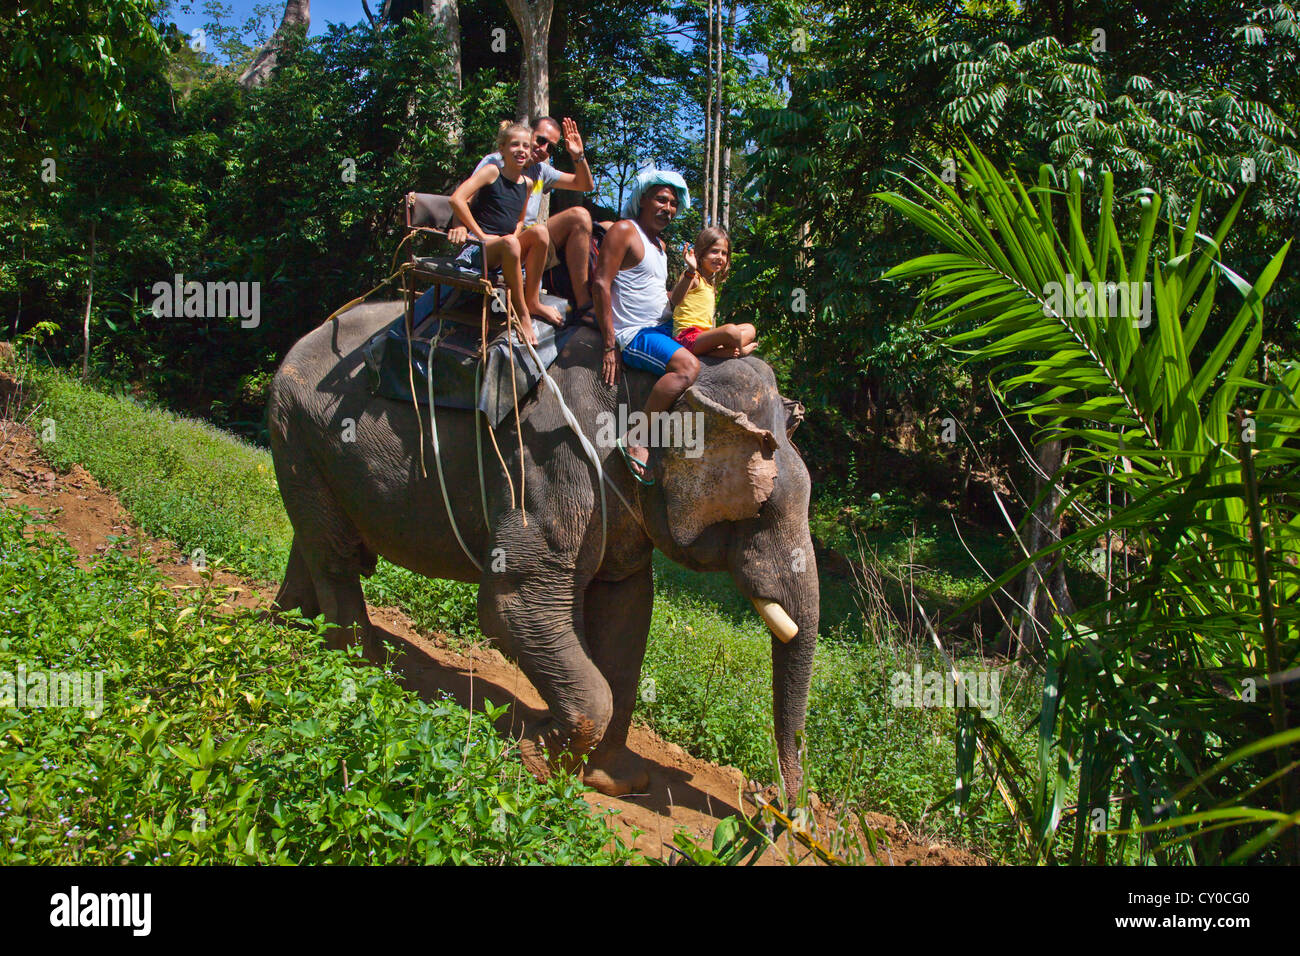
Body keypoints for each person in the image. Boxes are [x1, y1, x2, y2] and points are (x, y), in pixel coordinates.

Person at [591, 169, 697, 485]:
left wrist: (690, 277)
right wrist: (610, 345)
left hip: (664, 326)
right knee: (687, 368)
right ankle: (637, 436)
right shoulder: (625, 230)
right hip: (637, 334)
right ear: (642, 200)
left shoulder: (661, 246)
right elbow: (601, 283)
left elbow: (656, 295)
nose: (668, 208)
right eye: (661, 199)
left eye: (674, 203)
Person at [452, 116, 597, 321]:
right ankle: (525, 310)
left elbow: (585, 185)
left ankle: (584, 305)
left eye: (551, 147)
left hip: (527, 237)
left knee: (580, 216)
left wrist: (579, 156)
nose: (544, 148)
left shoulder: (539, 173)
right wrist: (459, 226)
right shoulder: (495, 163)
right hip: (494, 241)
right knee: (519, 239)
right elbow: (463, 198)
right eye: (540, 140)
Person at [447, 121, 558, 345]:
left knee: (540, 232)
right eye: (515, 145)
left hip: (506, 247)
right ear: (503, 149)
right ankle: (522, 314)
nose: (522, 150)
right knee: (509, 242)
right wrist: (479, 234)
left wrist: (515, 237)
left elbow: (519, 221)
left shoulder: (527, 184)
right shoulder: (491, 172)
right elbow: (456, 199)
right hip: (479, 249)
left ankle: (533, 301)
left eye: (526, 146)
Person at [670, 226, 756, 357]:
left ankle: (717, 351)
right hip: (687, 338)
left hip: (705, 336)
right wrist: (690, 271)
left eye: (724, 253)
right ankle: (739, 351)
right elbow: (675, 299)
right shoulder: (693, 277)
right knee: (731, 330)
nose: (720, 257)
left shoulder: (710, 285)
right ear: (701, 253)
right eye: (714, 251)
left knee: (750, 329)